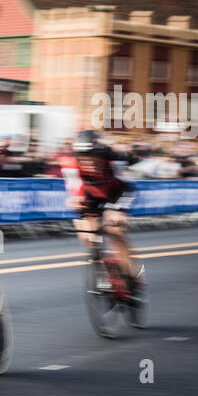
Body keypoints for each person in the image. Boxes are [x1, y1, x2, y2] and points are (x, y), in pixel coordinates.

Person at [58, 129, 142, 301]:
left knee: (115, 230)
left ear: (100, 152)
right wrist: (76, 201)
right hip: (92, 196)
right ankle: (104, 274)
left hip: (117, 191)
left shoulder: (112, 158)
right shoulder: (70, 162)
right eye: (82, 156)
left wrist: (116, 212)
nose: (87, 160)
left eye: (92, 155)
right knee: (88, 237)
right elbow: (75, 189)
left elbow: (126, 180)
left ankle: (131, 277)